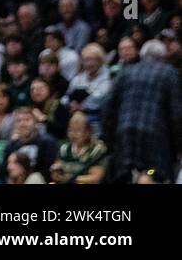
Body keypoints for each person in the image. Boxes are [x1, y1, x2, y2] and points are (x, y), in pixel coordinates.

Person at [101, 39, 182, 183]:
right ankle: (148, 174)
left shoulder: (126, 72)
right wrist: (177, 146)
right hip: (155, 138)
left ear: (142, 55)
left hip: (124, 135)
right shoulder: (170, 73)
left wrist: (109, 139)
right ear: (163, 57)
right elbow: (177, 115)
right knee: (152, 172)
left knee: (126, 173)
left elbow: (107, 107)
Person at [55, 112, 108, 184]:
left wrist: (71, 178)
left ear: (87, 132)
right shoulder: (64, 149)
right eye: (71, 130)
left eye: (78, 130)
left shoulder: (97, 150)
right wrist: (56, 172)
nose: (73, 134)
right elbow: (56, 175)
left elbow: (95, 178)